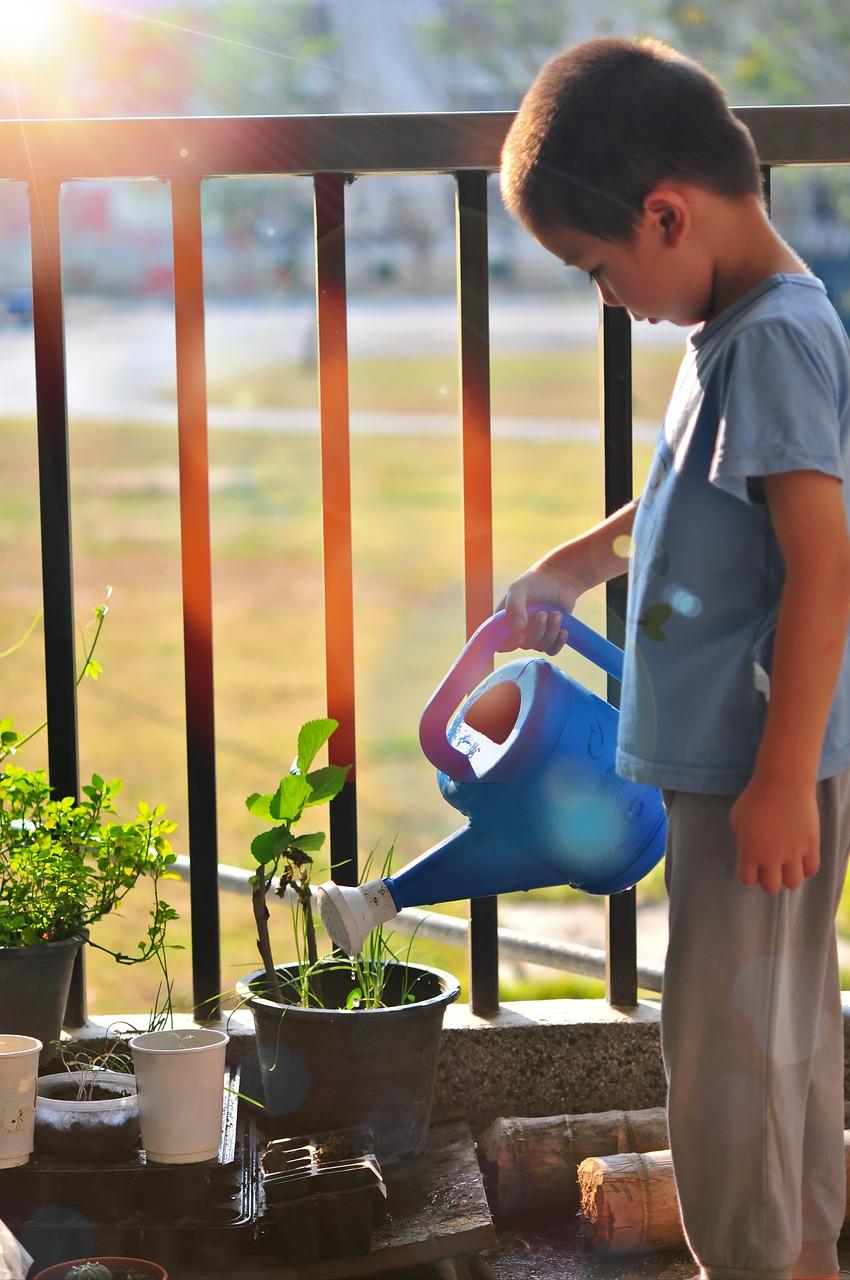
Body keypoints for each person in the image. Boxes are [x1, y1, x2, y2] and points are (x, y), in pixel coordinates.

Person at [498, 36, 850, 1280]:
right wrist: (574, 562)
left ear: (665, 213)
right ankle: (800, 1252)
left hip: (754, 767)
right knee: (781, 1036)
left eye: (598, 269)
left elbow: (824, 563)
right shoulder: (747, 331)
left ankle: (759, 1262)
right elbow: (696, 507)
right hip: (750, 763)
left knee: (723, 1053)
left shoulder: (765, 341)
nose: (607, 297)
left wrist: (775, 776)